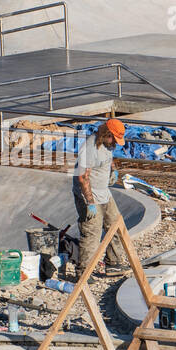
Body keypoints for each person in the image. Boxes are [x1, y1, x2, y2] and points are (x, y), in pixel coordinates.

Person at [72, 118, 131, 277]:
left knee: (115, 225)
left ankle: (114, 263)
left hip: (104, 192)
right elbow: (82, 177)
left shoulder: (107, 144)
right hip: (89, 196)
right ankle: (84, 273)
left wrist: (113, 171)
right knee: (92, 232)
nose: (115, 143)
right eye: (114, 139)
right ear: (106, 133)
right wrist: (90, 203)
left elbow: (108, 158)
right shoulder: (90, 148)